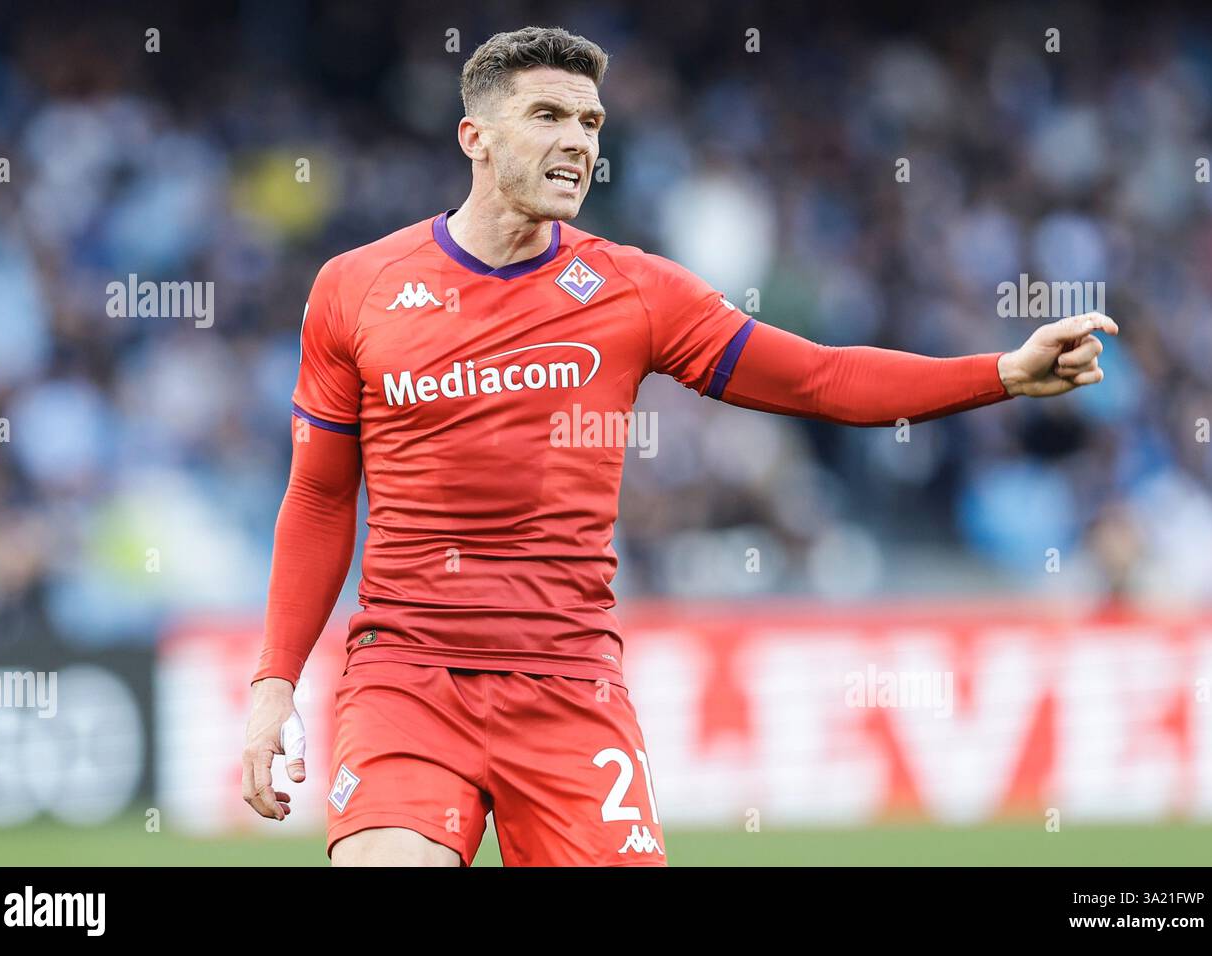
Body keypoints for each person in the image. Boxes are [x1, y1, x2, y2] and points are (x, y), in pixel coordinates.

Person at [242, 25, 1117, 866]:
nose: (578, 142)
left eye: (590, 123)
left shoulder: (633, 292)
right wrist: (275, 681)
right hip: (406, 679)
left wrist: (999, 372)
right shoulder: (356, 289)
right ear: (474, 135)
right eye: (548, 116)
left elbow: (817, 378)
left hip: (568, 688)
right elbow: (320, 496)